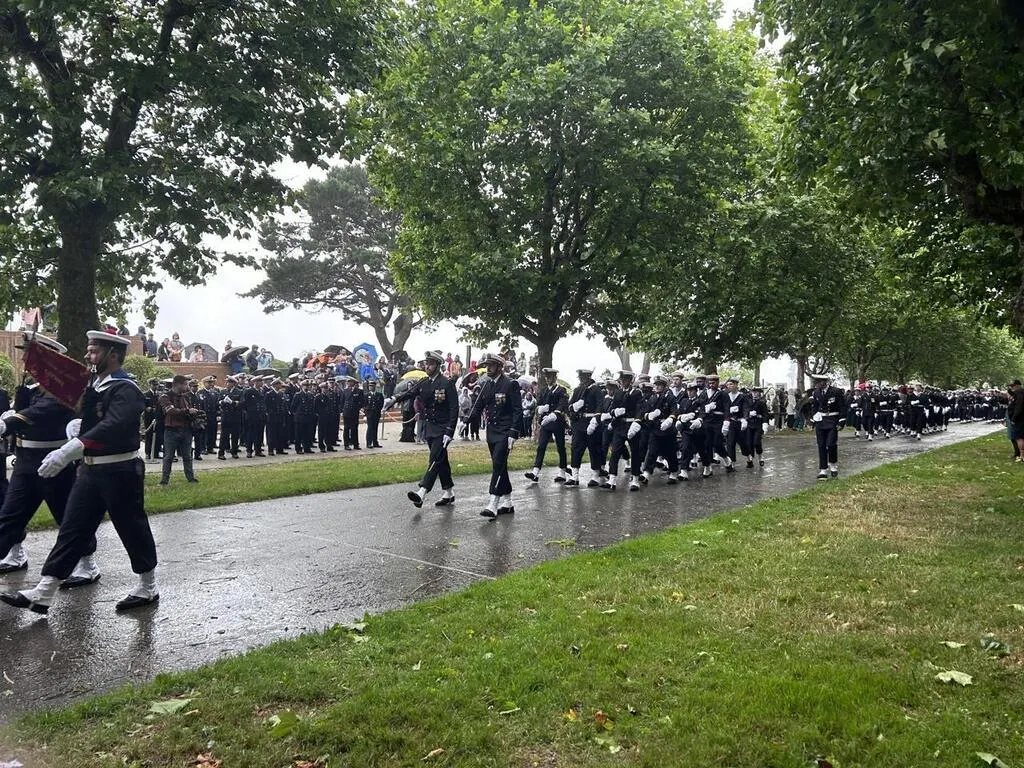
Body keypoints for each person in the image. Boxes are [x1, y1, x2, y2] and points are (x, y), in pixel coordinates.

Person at [1, 330, 158, 615]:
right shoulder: (94, 387)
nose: (87, 356)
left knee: (131, 526)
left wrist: (70, 448)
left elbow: (113, 425)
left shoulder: (125, 389)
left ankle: (147, 586)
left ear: (113, 355)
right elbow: (81, 415)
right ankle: (44, 591)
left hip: (120, 470)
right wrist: (76, 425)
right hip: (90, 471)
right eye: (88, 350)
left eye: (94, 351)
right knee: (72, 529)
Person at [0, 336, 100, 587]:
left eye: (32, 356)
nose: (26, 360)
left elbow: (43, 412)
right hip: (25, 462)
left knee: (68, 517)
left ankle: (87, 565)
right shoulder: (32, 388)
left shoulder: (63, 391)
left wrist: (10, 421)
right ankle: (13, 552)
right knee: (10, 515)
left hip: (53, 462)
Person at [385, 350, 459, 508]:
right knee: (441, 459)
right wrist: (393, 399)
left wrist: (450, 430)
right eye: (426, 363)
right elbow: (410, 393)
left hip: (443, 428)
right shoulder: (424, 382)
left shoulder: (447, 384)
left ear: (438, 365)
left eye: (431, 364)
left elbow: (454, 408)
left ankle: (422, 492)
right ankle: (449, 492)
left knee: (435, 458)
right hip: (430, 427)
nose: (427, 366)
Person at [466, 352, 523, 518]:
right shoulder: (487, 385)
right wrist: (466, 420)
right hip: (492, 432)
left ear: (500, 367)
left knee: (498, 463)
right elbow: (478, 406)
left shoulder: (510, 384)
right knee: (500, 465)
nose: (488, 368)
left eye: (491, 365)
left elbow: (517, 410)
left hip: (505, 432)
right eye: (487, 365)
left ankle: (493, 502)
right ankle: (508, 502)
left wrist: (513, 432)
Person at [525, 368, 569, 484]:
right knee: (541, 446)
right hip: (546, 422)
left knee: (560, 447)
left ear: (555, 377)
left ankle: (562, 471)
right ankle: (535, 472)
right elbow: (538, 404)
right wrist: (540, 409)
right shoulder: (544, 390)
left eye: (550, 377)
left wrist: (556, 412)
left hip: (557, 421)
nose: (548, 379)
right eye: (546, 377)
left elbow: (563, 403)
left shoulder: (560, 390)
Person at [158, 375, 200, 485]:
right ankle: (164, 480)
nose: (187, 387)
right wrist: (187, 411)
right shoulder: (165, 396)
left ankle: (190, 478)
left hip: (186, 429)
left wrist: (195, 414)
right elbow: (170, 411)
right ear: (178, 384)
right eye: (185, 384)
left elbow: (188, 411)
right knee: (168, 457)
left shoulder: (186, 397)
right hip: (171, 430)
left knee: (187, 456)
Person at [809, 372, 848, 480]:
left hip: (832, 420)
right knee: (821, 445)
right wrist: (813, 419)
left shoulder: (836, 391)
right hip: (820, 421)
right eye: (815, 382)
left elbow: (842, 407)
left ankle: (833, 464)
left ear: (824, 382)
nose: (816, 384)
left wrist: (842, 421)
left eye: (817, 382)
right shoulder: (816, 392)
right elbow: (815, 407)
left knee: (831, 444)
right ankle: (823, 469)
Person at [197, 376, 221, 455]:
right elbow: (200, 405)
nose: (211, 384)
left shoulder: (215, 393)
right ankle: (202, 448)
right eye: (208, 383)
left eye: (212, 383)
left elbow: (217, 405)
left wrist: (218, 414)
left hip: (213, 415)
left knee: (212, 432)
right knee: (203, 433)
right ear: (204, 383)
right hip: (204, 415)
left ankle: (210, 447)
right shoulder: (200, 393)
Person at [342, 377, 364, 450]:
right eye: (348, 382)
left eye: (350, 382)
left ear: (354, 383)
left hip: (354, 412)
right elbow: (342, 401)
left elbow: (361, 401)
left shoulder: (359, 391)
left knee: (354, 428)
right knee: (346, 429)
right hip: (347, 412)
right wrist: (342, 410)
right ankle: (346, 444)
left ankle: (355, 444)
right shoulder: (345, 391)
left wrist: (357, 407)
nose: (349, 383)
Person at [363, 379, 384, 448]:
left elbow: (381, 403)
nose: (371, 387)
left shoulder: (379, 395)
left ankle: (375, 442)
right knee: (370, 428)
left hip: (376, 413)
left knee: (375, 428)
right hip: (369, 414)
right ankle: (369, 442)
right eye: (370, 386)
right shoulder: (366, 395)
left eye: (372, 386)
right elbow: (365, 404)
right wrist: (366, 412)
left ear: (375, 386)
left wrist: (378, 410)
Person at [1008, 379, 1024, 461]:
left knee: (1019, 437)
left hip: (1019, 419)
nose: (1011, 388)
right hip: (1020, 418)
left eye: (1012, 386)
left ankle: (1022, 456)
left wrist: (1014, 418)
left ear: (1018, 385)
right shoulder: (1018, 393)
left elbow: (1019, 407)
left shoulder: (1019, 394)